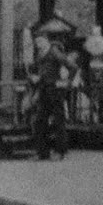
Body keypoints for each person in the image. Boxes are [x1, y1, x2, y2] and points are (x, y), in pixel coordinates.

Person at [27, 31, 70, 160]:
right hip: (43, 89)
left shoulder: (55, 52)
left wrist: (66, 81)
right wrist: (36, 77)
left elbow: (71, 66)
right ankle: (42, 152)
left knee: (58, 121)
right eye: (36, 42)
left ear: (46, 41)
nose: (38, 44)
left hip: (55, 90)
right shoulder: (40, 55)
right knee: (40, 121)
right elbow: (41, 71)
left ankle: (60, 151)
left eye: (40, 41)